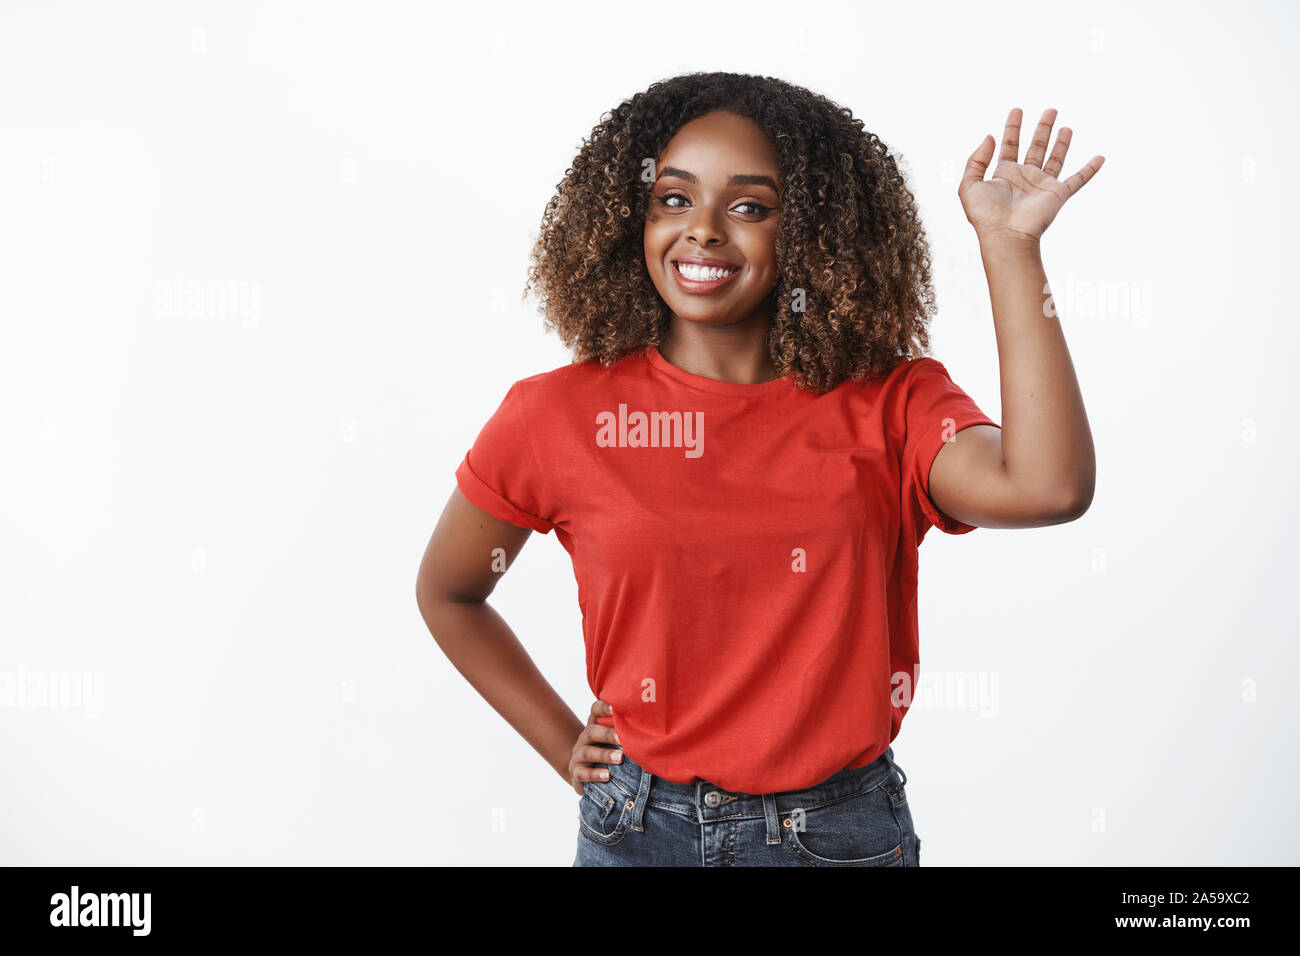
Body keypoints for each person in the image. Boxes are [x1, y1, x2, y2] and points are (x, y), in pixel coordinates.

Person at [415, 72, 1101, 866]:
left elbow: (1048, 487)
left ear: (808, 233)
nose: (702, 230)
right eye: (673, 199)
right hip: (637, 830)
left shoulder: (892, 403)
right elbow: (449, 592)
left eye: (749, 207)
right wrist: (566, 744)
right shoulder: (554, 416)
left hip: (837, 836)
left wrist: (1010, 248)